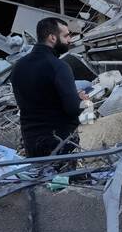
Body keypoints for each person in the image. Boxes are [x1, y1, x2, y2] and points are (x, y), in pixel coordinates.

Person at [10, 17, 87, 166]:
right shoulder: (59, 67)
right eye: (65, 36)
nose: (69, 40)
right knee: (63, 187)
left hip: (31, 144)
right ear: (52, 38)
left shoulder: (18, 66)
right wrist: (82, 101)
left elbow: (37, 99)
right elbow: (72, 109)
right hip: (59, 145)